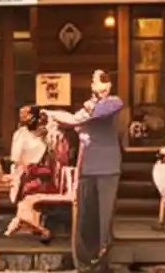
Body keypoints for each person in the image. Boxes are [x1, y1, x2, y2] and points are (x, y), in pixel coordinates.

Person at [47, 70, 123, 273]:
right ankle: (84, 264)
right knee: (85, 217)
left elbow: (103, 110)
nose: (103, 85)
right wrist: (49, 113)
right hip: (87, 168)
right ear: (92, 86)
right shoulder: (87, 108)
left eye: (106, 81)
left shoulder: (113, 103)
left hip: (108, 169)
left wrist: (92, 107)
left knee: (104, 219)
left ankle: (101, 264)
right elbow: (72, 119)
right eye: (99, 81)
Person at [5, 106, 70, 240]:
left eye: (27, 115)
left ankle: (27, 221)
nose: (24, 118)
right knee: (24, 185)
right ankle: (34, 224)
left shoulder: (49, 135)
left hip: (45, 172)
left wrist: (50, 137)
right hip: (26, 170)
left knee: (32, 186)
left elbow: (60, 157)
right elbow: (16, 158)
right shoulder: (20, 134)